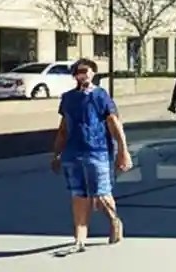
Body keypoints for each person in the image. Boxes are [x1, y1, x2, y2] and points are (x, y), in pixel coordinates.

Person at [51, 58, 132, 254]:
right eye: (79, 71)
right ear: (75, 75)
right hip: (72, 153)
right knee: (78, 195)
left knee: (101, 194)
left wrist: (123, 150)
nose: (83, 74)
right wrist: (56, 153)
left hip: (97, 151)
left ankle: (114, 220)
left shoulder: (101, 96)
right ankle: (80, 239)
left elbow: (114, 123)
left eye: (86, 71)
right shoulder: (68, 98)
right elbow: (63, 128)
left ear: (93, 73)